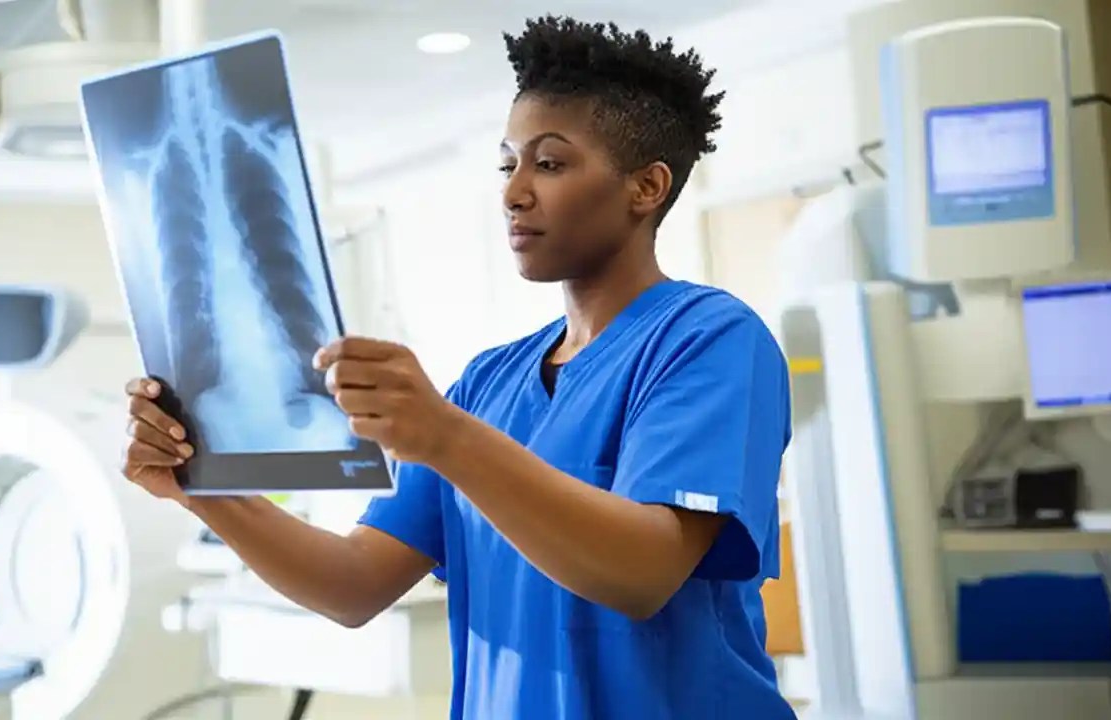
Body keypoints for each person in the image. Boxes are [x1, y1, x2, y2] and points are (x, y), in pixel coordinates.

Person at [123, 15, 794, 720]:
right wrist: (203, 488)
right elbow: (355, 584)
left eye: (551, 163)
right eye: (508, 164)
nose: (513, 192)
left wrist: (444, 436)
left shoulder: (709, 339)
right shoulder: (487, 384)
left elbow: (643, 573)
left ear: (646, 187)